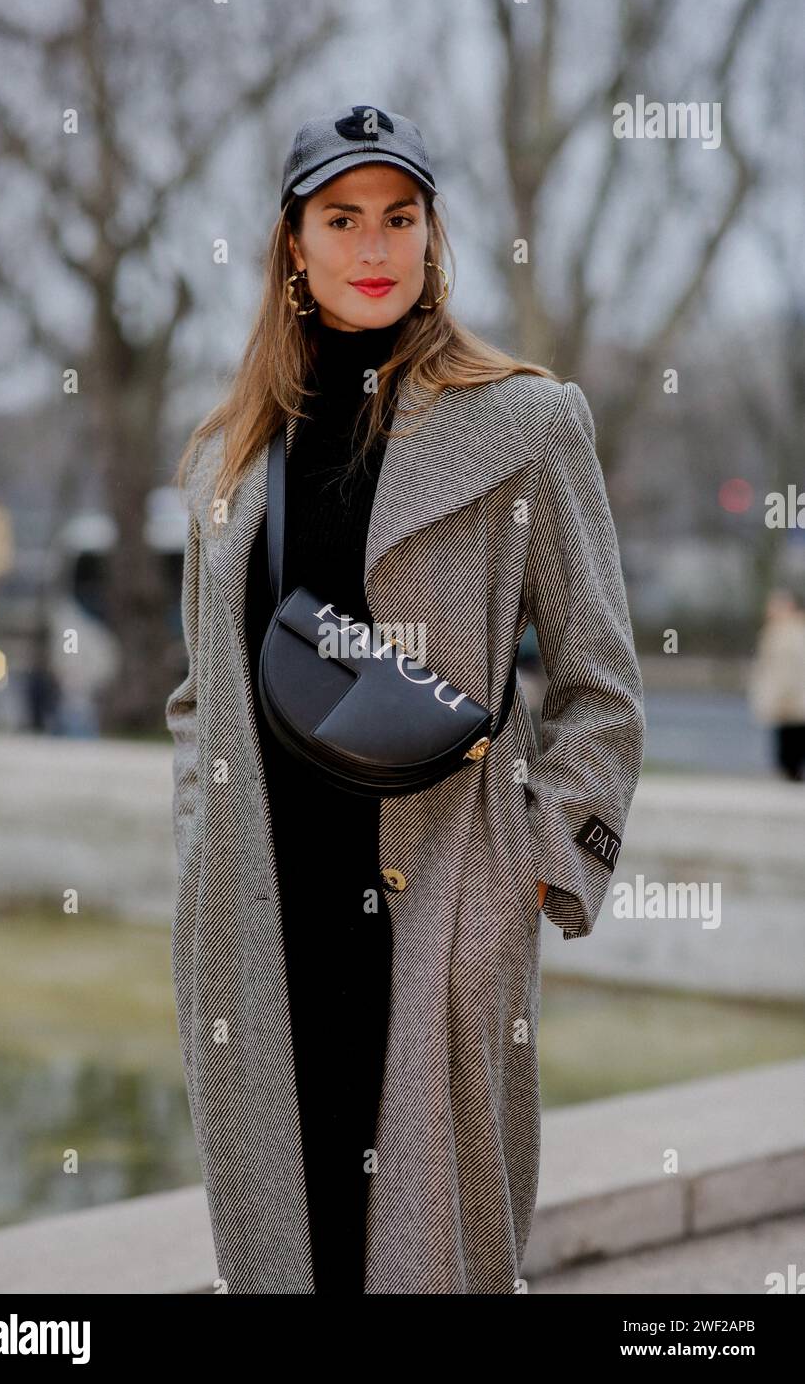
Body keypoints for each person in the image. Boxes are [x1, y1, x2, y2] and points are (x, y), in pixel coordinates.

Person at [166, 103, 645, 1294]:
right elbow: (196, 699)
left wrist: (534, 876)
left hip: (439, 904)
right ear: (293, 243)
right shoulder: (225, 453)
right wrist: (201, 858)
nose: (372, 245)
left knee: (438, 1253)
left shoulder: (528, 424)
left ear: (433, 235)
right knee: (291, 1249)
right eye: (341, 218)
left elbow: (600, 686)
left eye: (399, 216)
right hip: (263, 913)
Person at [748, 586, 805, 781]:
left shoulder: (790, 633)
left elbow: (789, 668)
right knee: (787, 736)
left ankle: (791, 773)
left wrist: (784, 693)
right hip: (785, 695)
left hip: (790, 695)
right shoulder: (777, 632)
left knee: (792, 737)